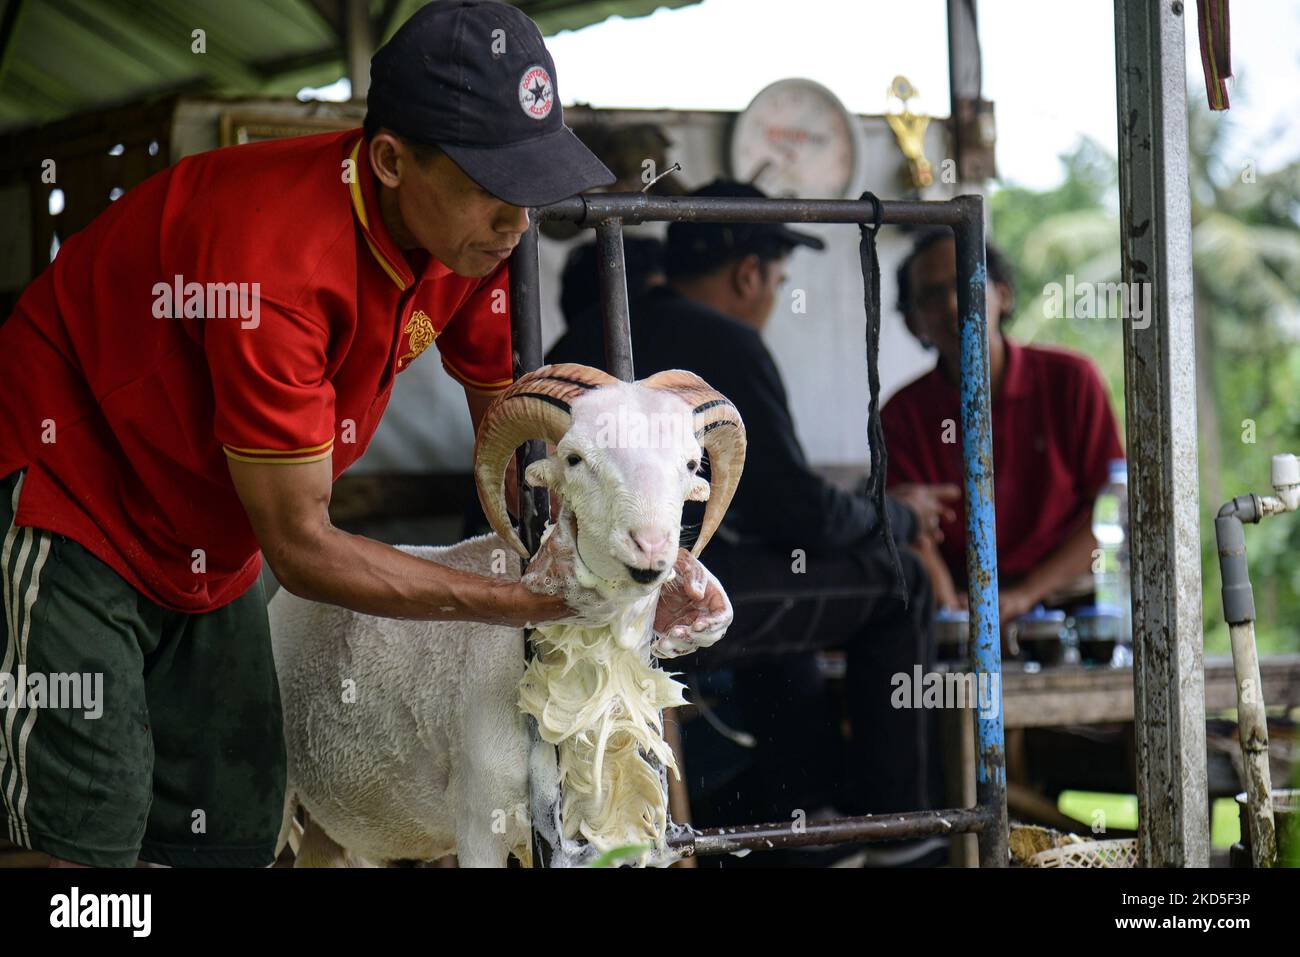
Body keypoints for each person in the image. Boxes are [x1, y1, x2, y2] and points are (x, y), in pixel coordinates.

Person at [0, 0, 725, 868]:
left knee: (231, 823)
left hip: (211, 533)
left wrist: (631, 559)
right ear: (388, 160)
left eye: (529, 191)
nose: (517, 225)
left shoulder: (472, 246)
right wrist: (524, 600)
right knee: (82, 833)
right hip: (73, 497)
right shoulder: (274, 267)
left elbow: (524, 442)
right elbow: (304, 547)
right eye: (491, 189)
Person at [547, 179, 947, 830]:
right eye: (777, 278)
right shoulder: (725, 342)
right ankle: (898, 825)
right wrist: (896, 515)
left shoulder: (581, 336)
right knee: (901, 582)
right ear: (750, 274)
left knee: (786, 596)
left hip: (565, 602)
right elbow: (797, 513)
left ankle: (804, 816)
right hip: (650, 609)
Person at [882, 228, 1125, 621]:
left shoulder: (1072, 380)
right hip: (957, 608)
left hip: (1072, 603)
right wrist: (954, 610)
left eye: (965, 284)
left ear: (1003, 294)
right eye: (930, 295)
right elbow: (909, 530)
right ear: (914, 323)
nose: (951, 303)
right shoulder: (901, 414)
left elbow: (1112, 508)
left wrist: (1025, 596)